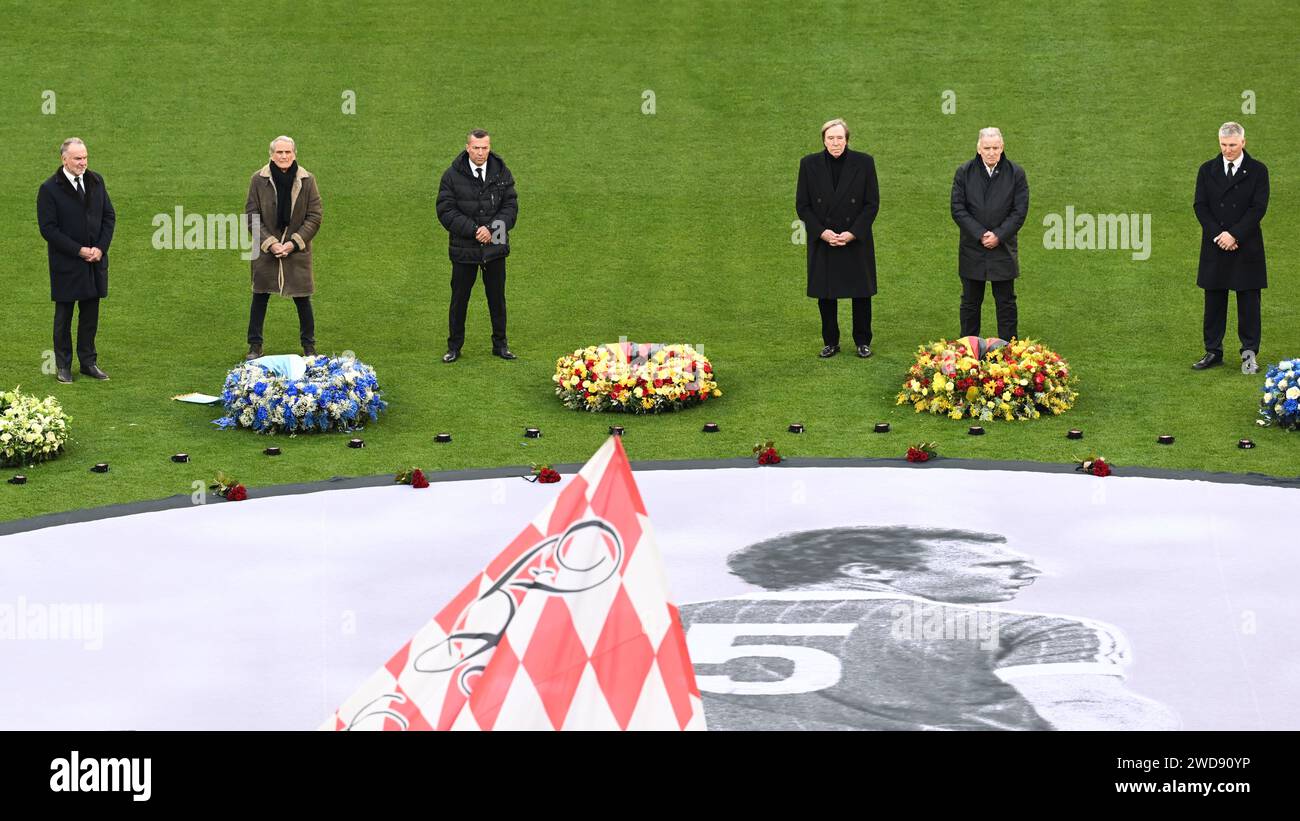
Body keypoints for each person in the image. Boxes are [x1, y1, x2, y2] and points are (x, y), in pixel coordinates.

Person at [680, 526, 1178, 731]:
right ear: (868, 571)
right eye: (997, 564)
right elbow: (1096, 722)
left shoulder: (654, 617)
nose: (1028, 574)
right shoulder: (1031, 629)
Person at [795, 118, 880, 359]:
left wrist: (853, 233)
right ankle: (830, 341)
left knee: (861, 293)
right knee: (826, 293)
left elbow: (871, 204)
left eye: (839, 138)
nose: (835, 143)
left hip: (856, 239)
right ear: (823, 140)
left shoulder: (864, 163)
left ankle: (863, 341)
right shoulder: (808, 164)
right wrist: (822, 232)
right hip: (824, 239)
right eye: (831, 138)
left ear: (847, 139)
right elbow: (803, 205)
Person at [1191, 122, 1269, 374]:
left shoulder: (1258, 171)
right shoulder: (1207, 170)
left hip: (1246, 246)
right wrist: (1219, 235)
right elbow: (1200, 206)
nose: (1227, 150)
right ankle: (1213, 351)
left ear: (1243, 142)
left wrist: (1234, 234)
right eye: (1223, 145)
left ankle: (1249, 354)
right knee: (1213, 300)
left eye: (1232, 145)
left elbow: (1258, 208)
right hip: (1216, 245)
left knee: (1248, 302)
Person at [37, 138, 116, 383]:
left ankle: (88, 362)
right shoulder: (49, 189)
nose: (83, 163)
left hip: (94, 261)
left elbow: (109, 216)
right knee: (64, 316)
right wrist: (79, 250)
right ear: (64, 160)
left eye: (85, 158)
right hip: (67, 265)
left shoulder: (96, 180)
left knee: (90, 315)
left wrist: (100, 249)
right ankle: (63, 366)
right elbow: (48, 229)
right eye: (78, 159)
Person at [436, 129, 519, 363]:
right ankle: (454, 347)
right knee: (459, 298)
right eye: (476, 148)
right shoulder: (451, 176)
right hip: (464, 247)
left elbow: (511, 208)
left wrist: (491, 230)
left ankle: (501, 345)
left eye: (485, 148)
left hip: (496, 246)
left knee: (497, 298)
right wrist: (474, 231)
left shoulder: (502, 173)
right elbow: (445, 211)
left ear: (489, 148)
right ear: (468, 148)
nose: (481, 153)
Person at [244, 136, 322, 360]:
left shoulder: (308, 181)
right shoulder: (258, 180)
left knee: (303, 298)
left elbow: (314, 217)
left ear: (294, 154)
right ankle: (255, 346)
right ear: (271, 155)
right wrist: (270, 243)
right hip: (265, 249)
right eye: (279, 152)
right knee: (259, 296)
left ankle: (309, 347)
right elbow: (251, 216)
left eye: (288, 152)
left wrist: (293, 243)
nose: (284, 156)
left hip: (297, 251)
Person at [950, 127, 1029, 341]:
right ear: (979, 148)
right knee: (970, 302)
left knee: (1006, 303)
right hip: (972, 248)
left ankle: (1009, 349)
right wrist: (981, 234)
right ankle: (968, 349)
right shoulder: (964, 172)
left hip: (1003, 248)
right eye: (987, 148)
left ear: (1002, 148)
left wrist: (998, 235)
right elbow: (957, 208)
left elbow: (1019, 211)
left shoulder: (1016, 173)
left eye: (995, 148)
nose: (991, 152)